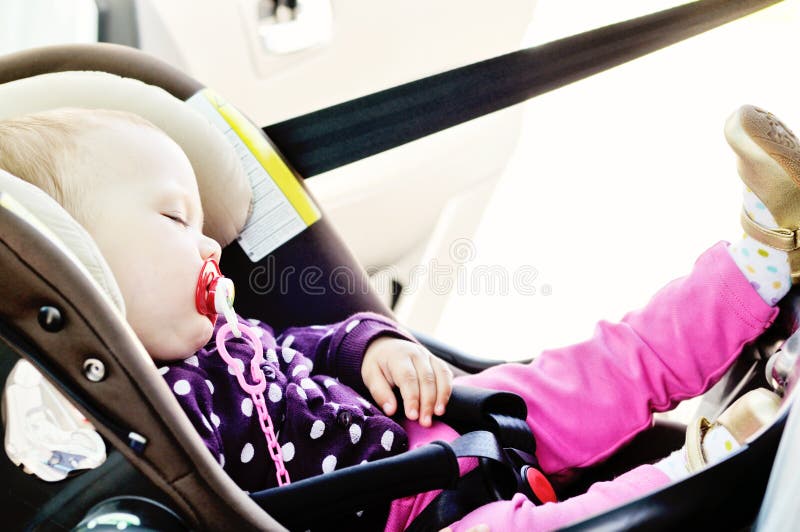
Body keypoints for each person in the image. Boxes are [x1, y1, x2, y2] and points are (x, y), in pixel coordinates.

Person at [0, 103, 792, 531]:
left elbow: (306, 346)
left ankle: (759, 262)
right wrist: (58, 405)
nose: (211, 242)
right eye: (176, 223)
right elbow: (55, 447)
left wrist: (369, 343)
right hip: (394, 527)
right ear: (82, 266)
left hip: (429, 431)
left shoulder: (225, 338)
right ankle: (710, 466)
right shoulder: (128, 426)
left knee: (598, 365)